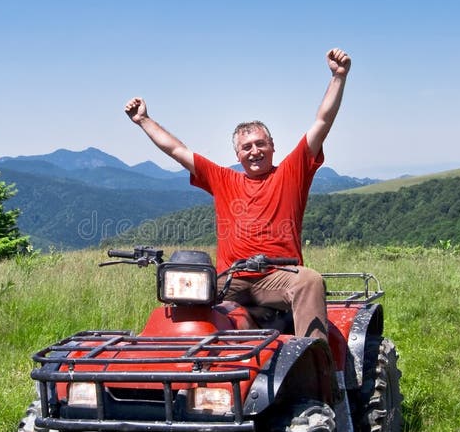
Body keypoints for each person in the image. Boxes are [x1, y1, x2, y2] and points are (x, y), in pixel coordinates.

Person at [124, 48, 351, 340]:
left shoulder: (291, 172)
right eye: (247, 147)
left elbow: (322, 123)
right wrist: (144, 120)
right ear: (237, 154)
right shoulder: (223, 178)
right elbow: (176, 150)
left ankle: (317, 366)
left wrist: (338, 77)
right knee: (183, 291)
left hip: (277, 278)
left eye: (260, 144)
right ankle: (178, 367)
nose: (254, 151)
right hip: (230, 280)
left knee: (310, 281)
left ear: (272, 146)